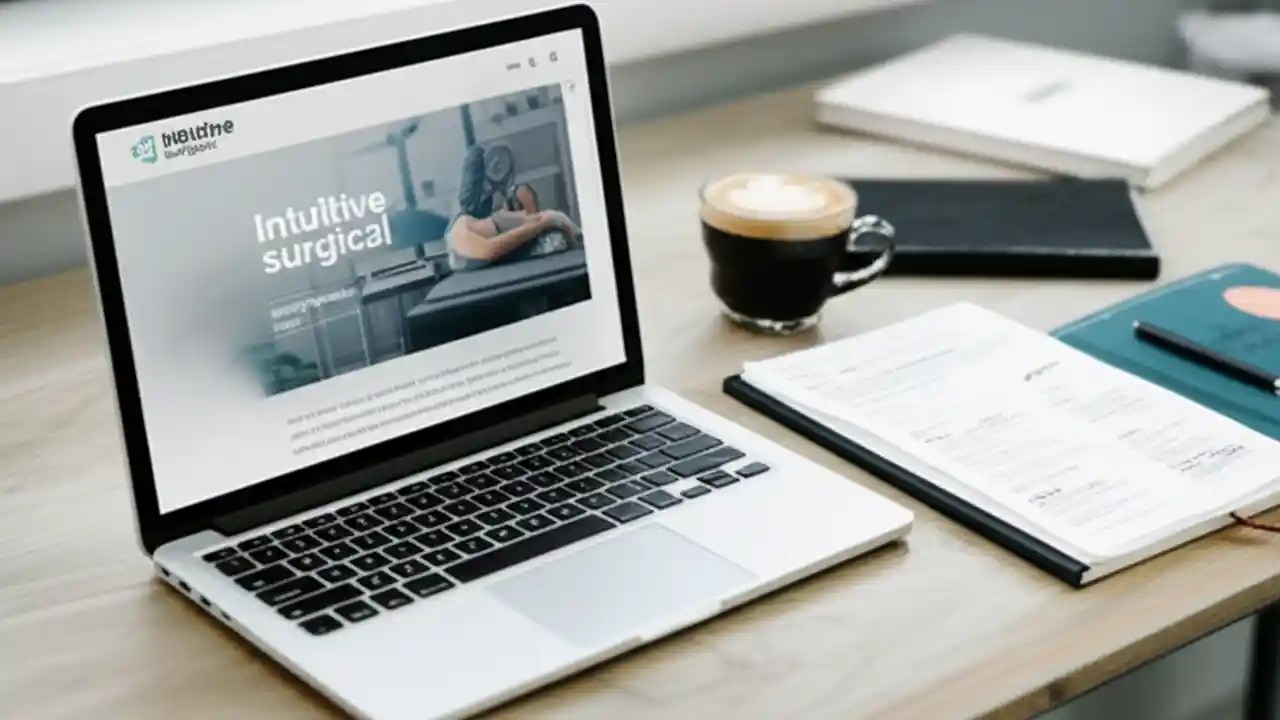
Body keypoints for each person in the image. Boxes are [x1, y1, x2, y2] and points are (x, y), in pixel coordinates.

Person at [447, 145, 577, 272]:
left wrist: (549, 222)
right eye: (482, 184)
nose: (487, 190)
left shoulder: (491, 217)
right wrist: (542, 223)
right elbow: (487, 250)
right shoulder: (460, 228)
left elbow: (536, 220)